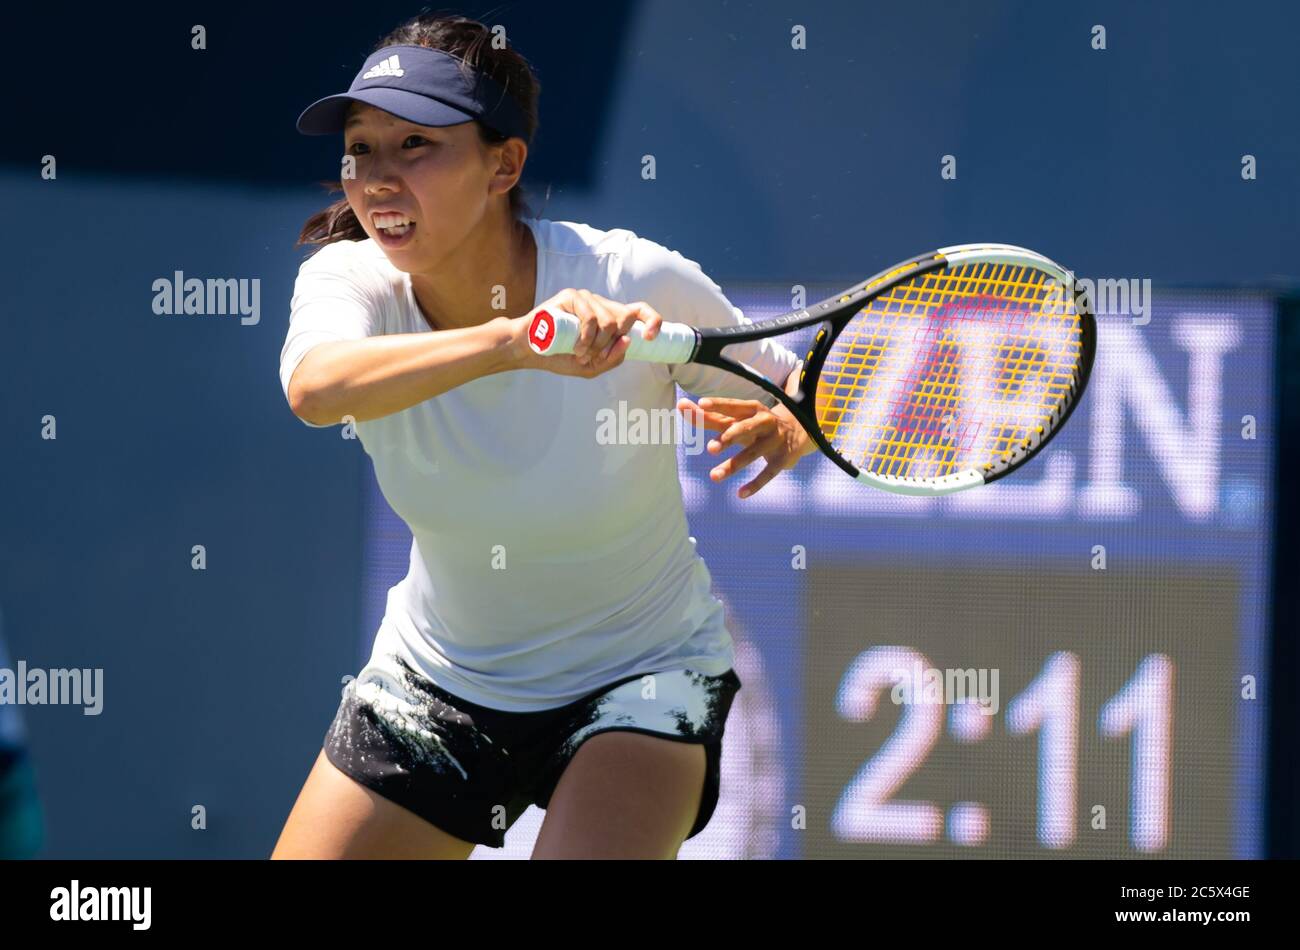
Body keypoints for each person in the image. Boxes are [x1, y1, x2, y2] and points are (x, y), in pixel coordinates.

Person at [272, 13, 815, 860]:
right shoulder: (348, 282)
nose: (378, 178)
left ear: (504, 164)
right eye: (362, 149)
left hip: (643, 679)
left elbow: (798, 386)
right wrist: (517, 340)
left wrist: (791, 424)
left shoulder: (631, 277)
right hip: (436, 681)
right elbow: (315, 389)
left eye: (416, 145)